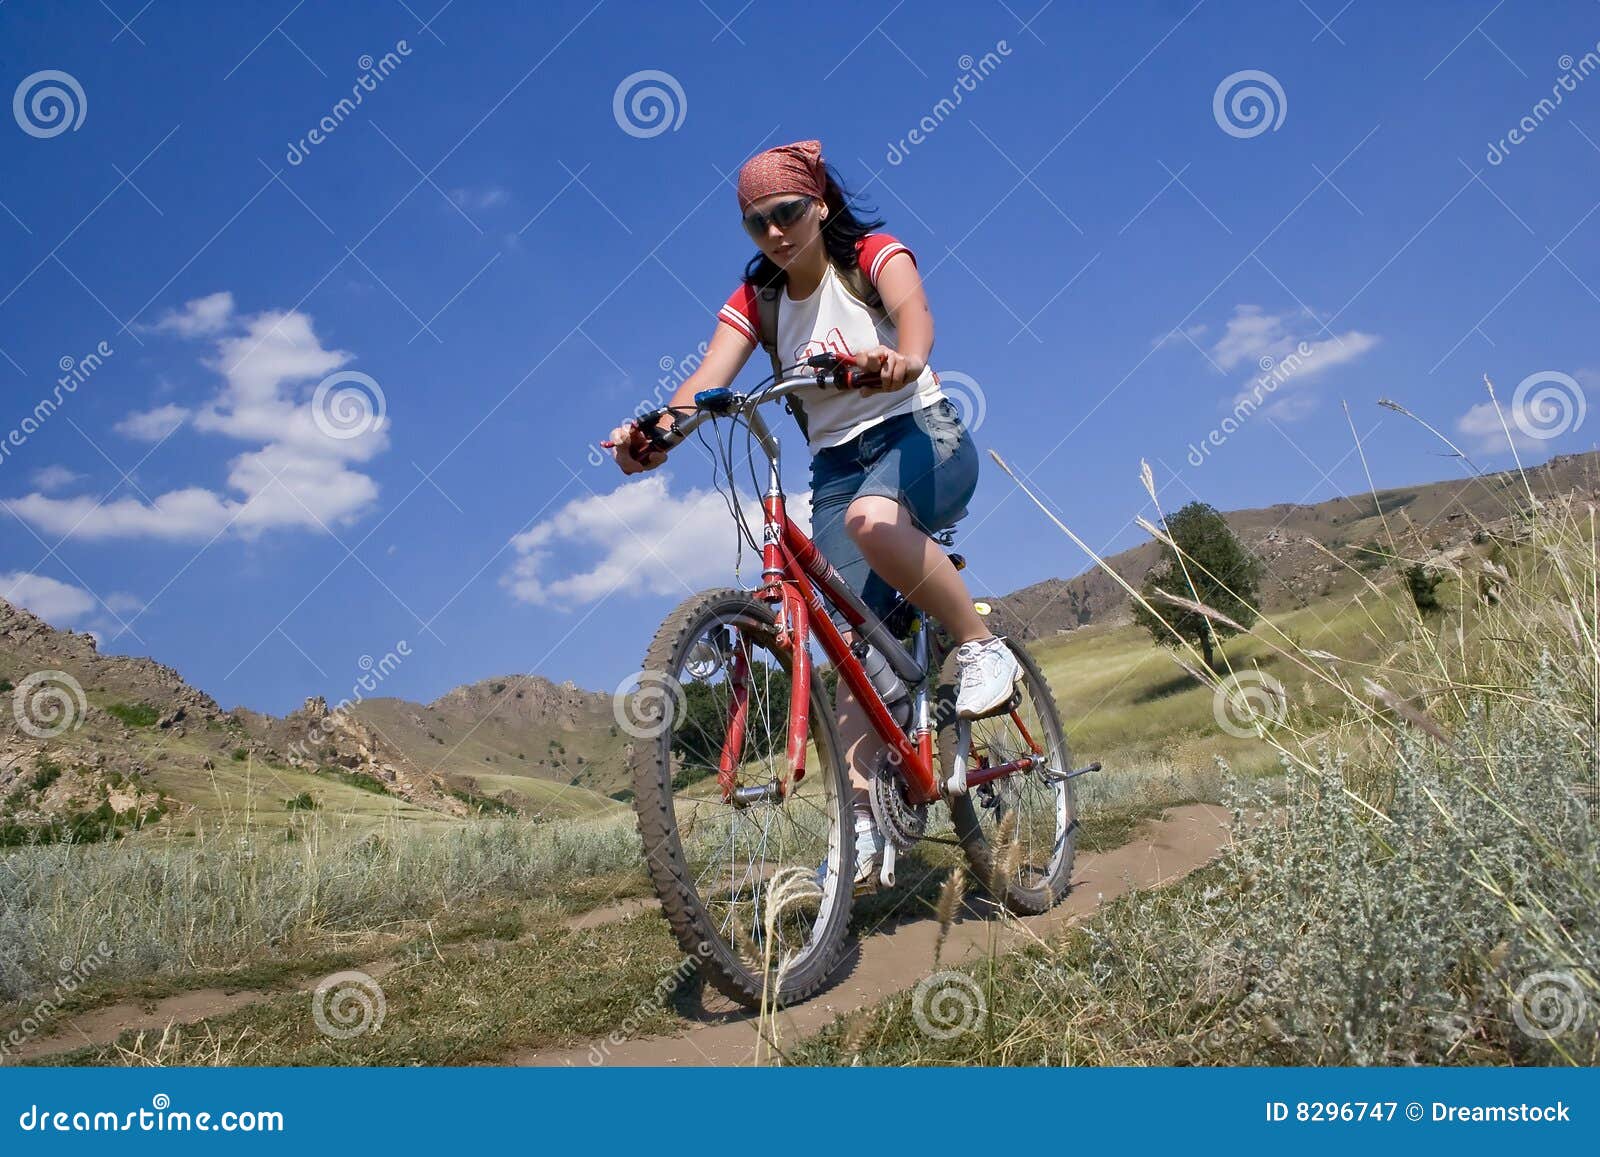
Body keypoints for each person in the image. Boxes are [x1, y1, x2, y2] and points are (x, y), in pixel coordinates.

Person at [606, 138, 1020, 893]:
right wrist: (653, 436)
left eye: (787, 212)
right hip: (835, 468)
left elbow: (914, 317)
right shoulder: (758, 300)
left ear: (819, 202)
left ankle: (981, 644)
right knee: (854, 656)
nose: (774, 232)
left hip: (923, 437)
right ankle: (862, 826)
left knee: (871, 521)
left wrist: (904, 358)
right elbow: (704, 383)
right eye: (756, 222)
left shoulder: (871, 255)